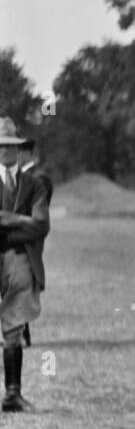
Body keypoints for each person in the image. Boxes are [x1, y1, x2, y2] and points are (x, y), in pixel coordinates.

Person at [0, 117, 50, 413]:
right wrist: (23, 220)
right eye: (1, 145)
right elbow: (31, 223)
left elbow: (41, 225)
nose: (6, 151)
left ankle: (12, 394)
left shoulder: (34, 185)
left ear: (19, 149)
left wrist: (7, 219)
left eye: (10, 145)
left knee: (14, 327)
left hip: (20, 260)